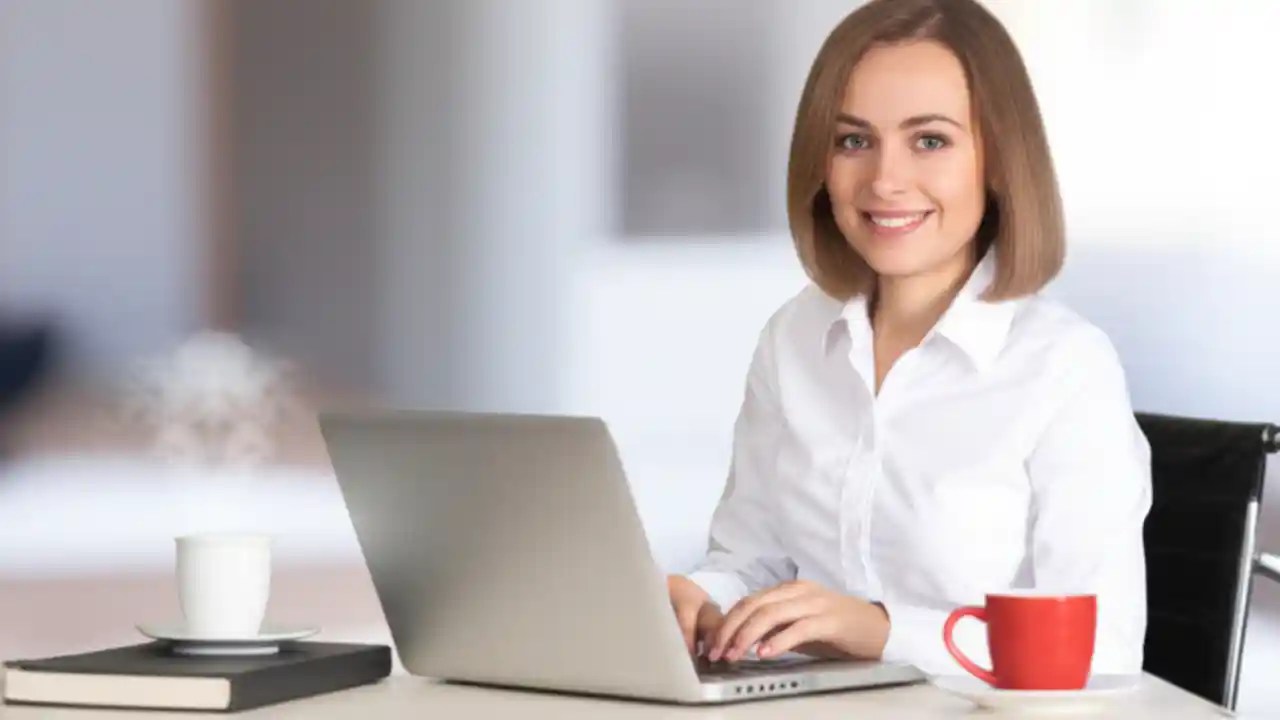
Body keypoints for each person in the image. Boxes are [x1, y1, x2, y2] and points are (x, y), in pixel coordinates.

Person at [666, 0, 1151, 677]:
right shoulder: (793, 339)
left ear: (998, 160)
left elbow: (1102, 647)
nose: (884, 181)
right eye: (853, 141)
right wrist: (699, 599)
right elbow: (751, 561)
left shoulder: (1065, 367)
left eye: (929, 141)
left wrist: (881, 631)